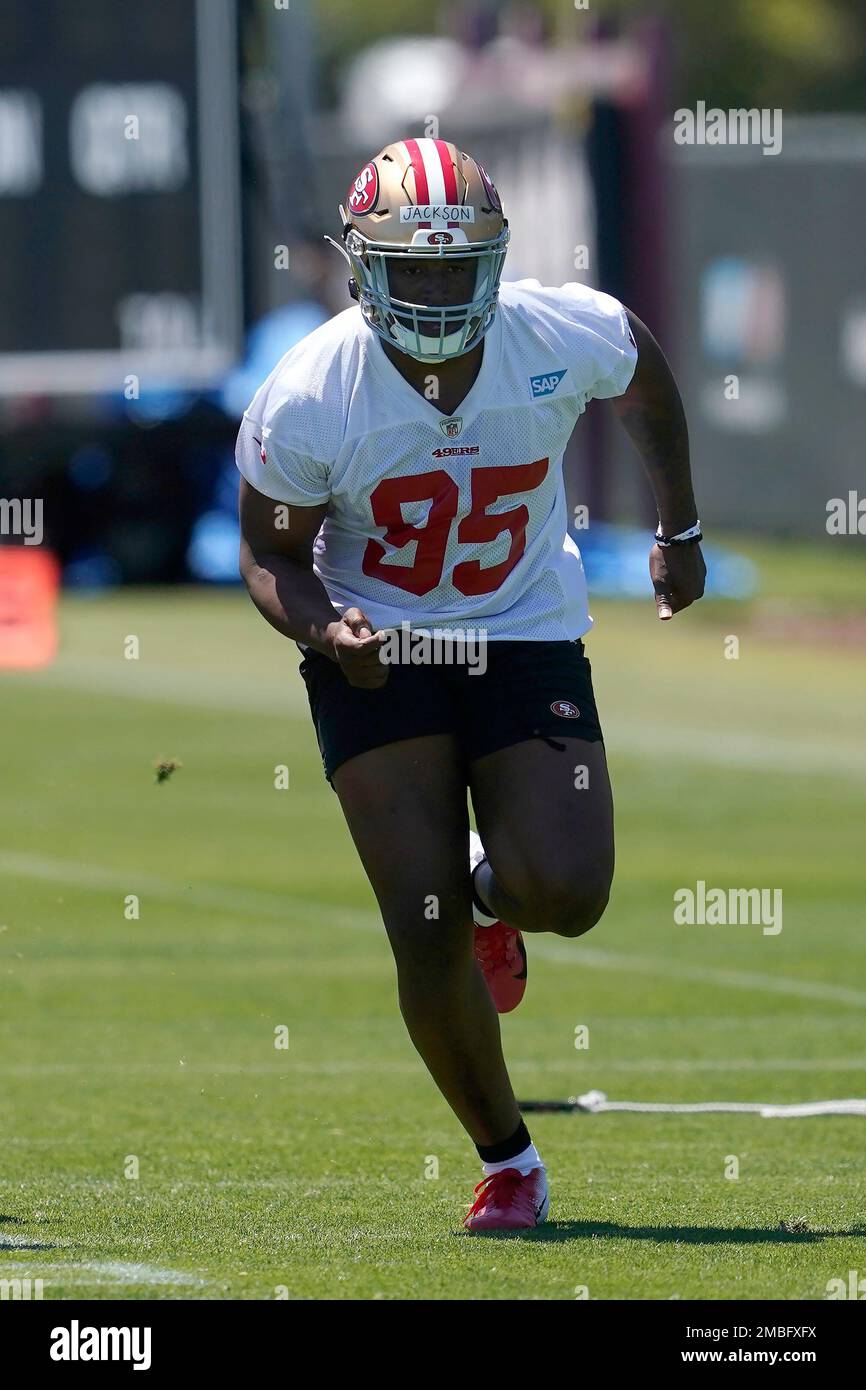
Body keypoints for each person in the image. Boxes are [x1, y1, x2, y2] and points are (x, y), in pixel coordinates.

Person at [236, 138, 705, 1231]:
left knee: (568, 891)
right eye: (417, 269)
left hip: (520, 627)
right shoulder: (311, 392)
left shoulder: (555, 330)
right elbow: (267, 553)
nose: (441, 290)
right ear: (364, 270)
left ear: (496, 262)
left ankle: (498, 892)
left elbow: (640, 373)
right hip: (380, 646)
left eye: (460, 267)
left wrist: (677, 526)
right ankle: (510, 1160)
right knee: (422, 914)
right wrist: (324, 624)